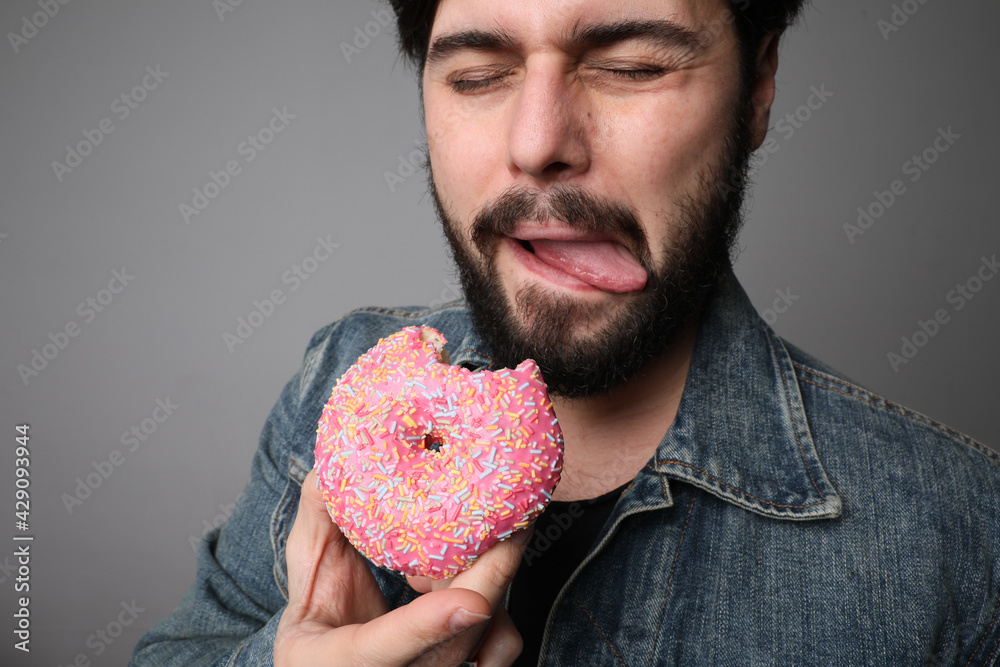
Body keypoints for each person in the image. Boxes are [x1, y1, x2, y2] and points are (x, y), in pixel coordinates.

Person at [131, 0, 1000, 664]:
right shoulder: (340, 378)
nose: (538, 142)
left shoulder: (961, 533)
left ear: (759, 86)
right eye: (476, 75)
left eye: (629, 65)